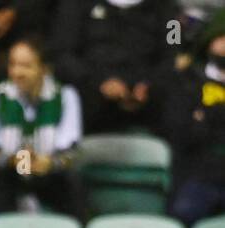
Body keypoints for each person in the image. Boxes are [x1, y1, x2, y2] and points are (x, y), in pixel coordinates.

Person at [0, 38, 85, 219]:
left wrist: (50, 163)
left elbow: (71, 151)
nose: (17, 72)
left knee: (73, 181)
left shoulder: (65, 96)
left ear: (45, 69)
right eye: (13, 65)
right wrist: (15, 161)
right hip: (9, 171)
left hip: (48, 172)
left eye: (26, 66)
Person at [52, 0, 174, 134]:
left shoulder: (168, 8)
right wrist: (99, 83)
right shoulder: (74, 4)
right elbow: (62, 55)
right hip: (88, 110)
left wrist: (149, 85)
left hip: (149, 110)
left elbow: (174, 51)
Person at [167, 22, 225, 224]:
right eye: (222, 38)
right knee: (185, 211)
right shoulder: (187, 81)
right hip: (198, 173)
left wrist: (205, 115)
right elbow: (183, 133)